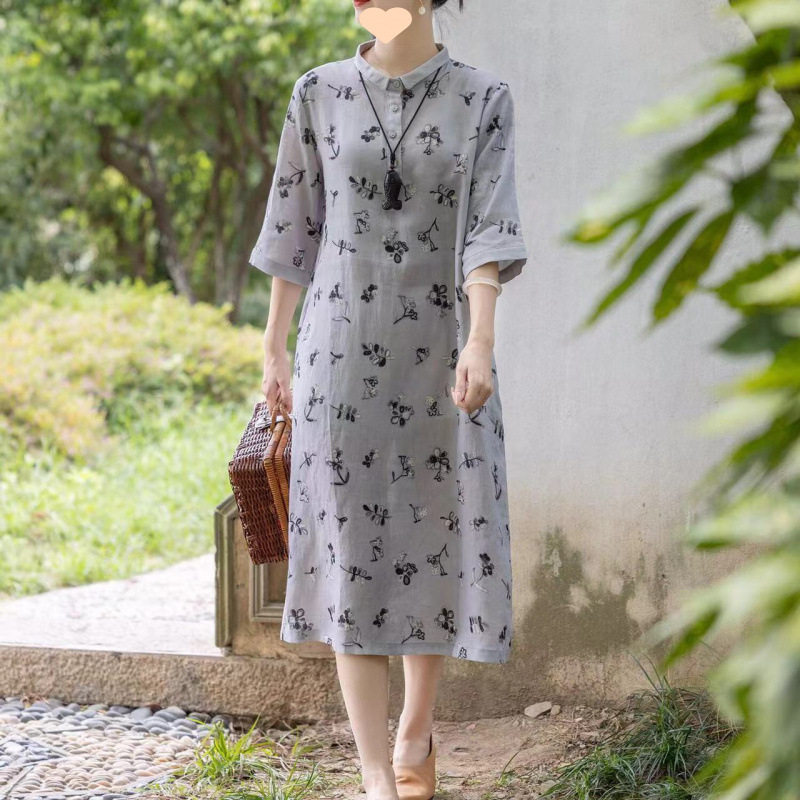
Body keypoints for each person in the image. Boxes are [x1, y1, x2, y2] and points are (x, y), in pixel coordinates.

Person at [250, 1, 528, 797]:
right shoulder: (318, 91)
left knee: (435, 534)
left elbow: (488, 231)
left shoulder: (483, 98)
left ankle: (416, 729)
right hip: (338, 354)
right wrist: (274, 342)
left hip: (440, 352)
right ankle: (377, 772)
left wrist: (481, 341)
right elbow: (294, 223)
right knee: (349, 550)